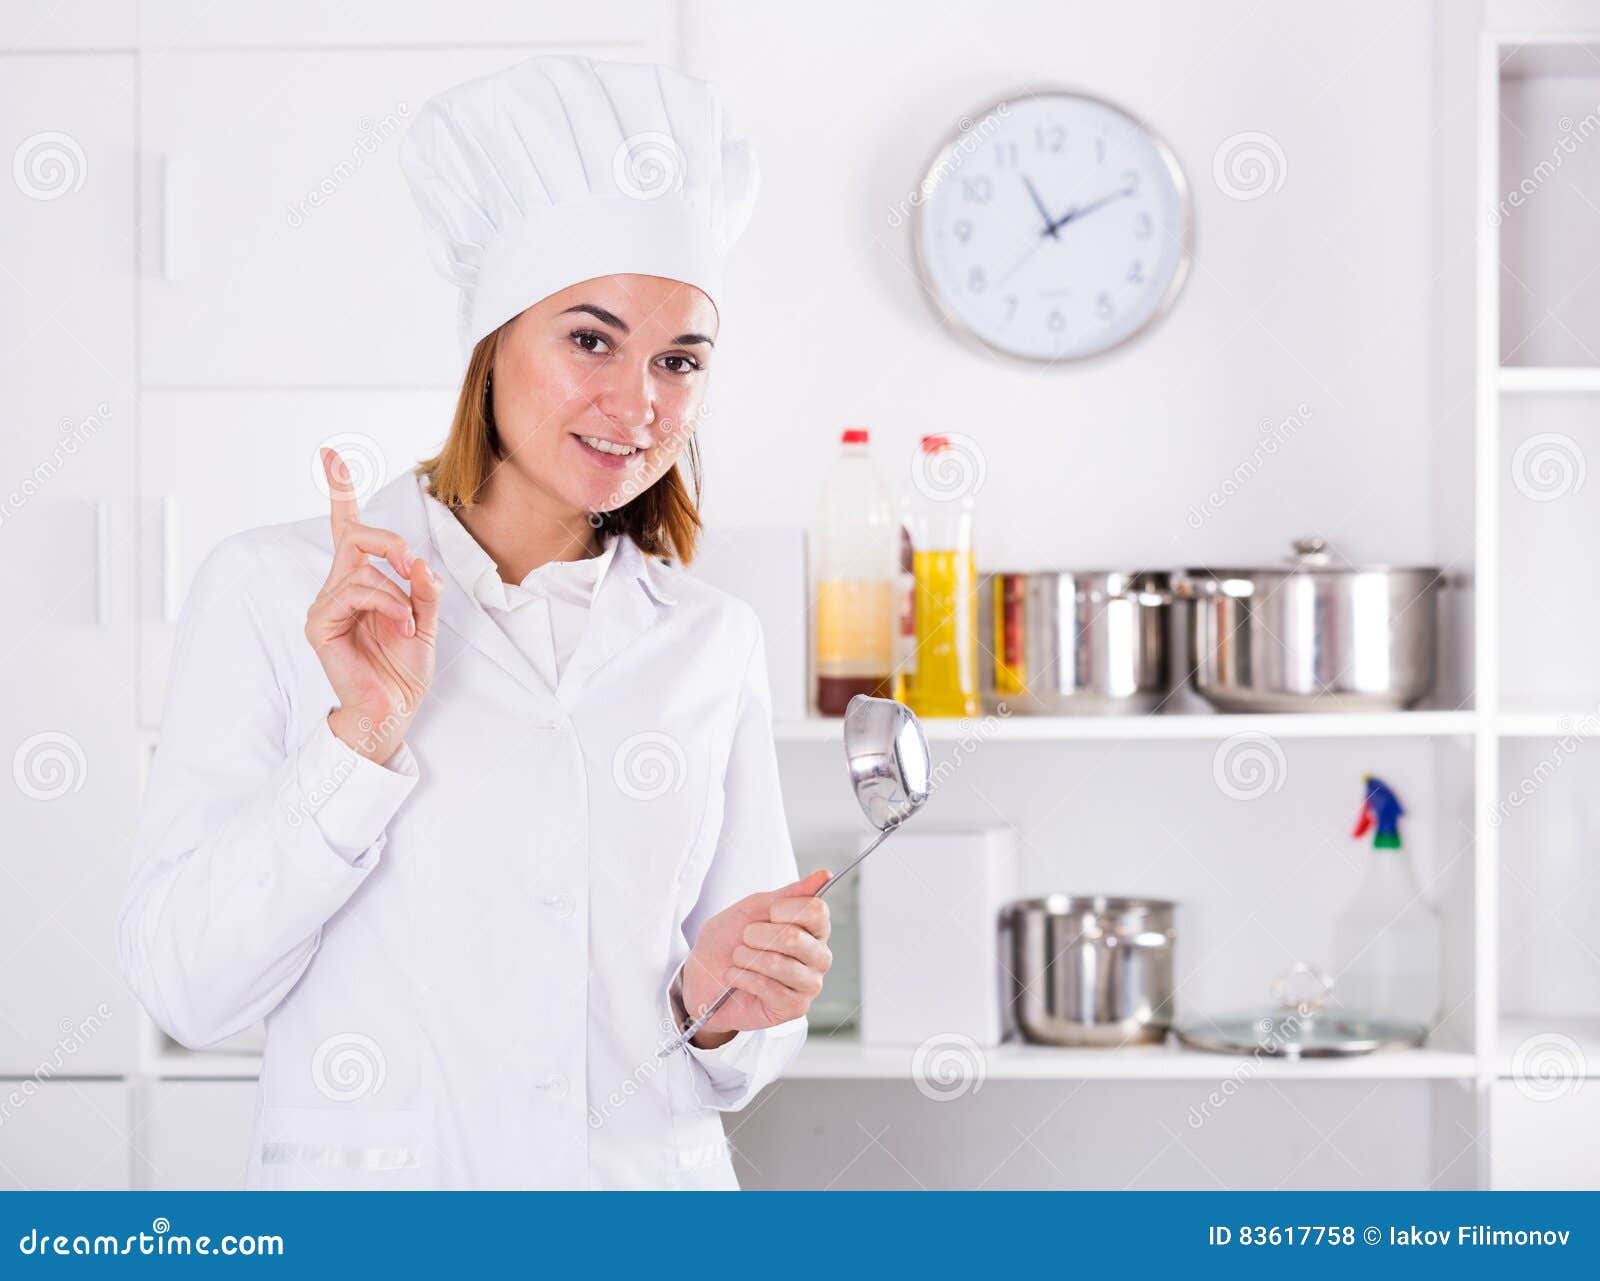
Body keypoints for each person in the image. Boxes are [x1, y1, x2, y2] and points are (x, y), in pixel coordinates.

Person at [116, 53, 830, 1190]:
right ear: (491, 345)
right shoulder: (275, 591)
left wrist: (723, 1009)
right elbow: (188, 989)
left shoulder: (709, 638)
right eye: (589, 340)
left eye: (678, 361)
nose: (638, 405)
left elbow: (734, 1025)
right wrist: (359, 743)